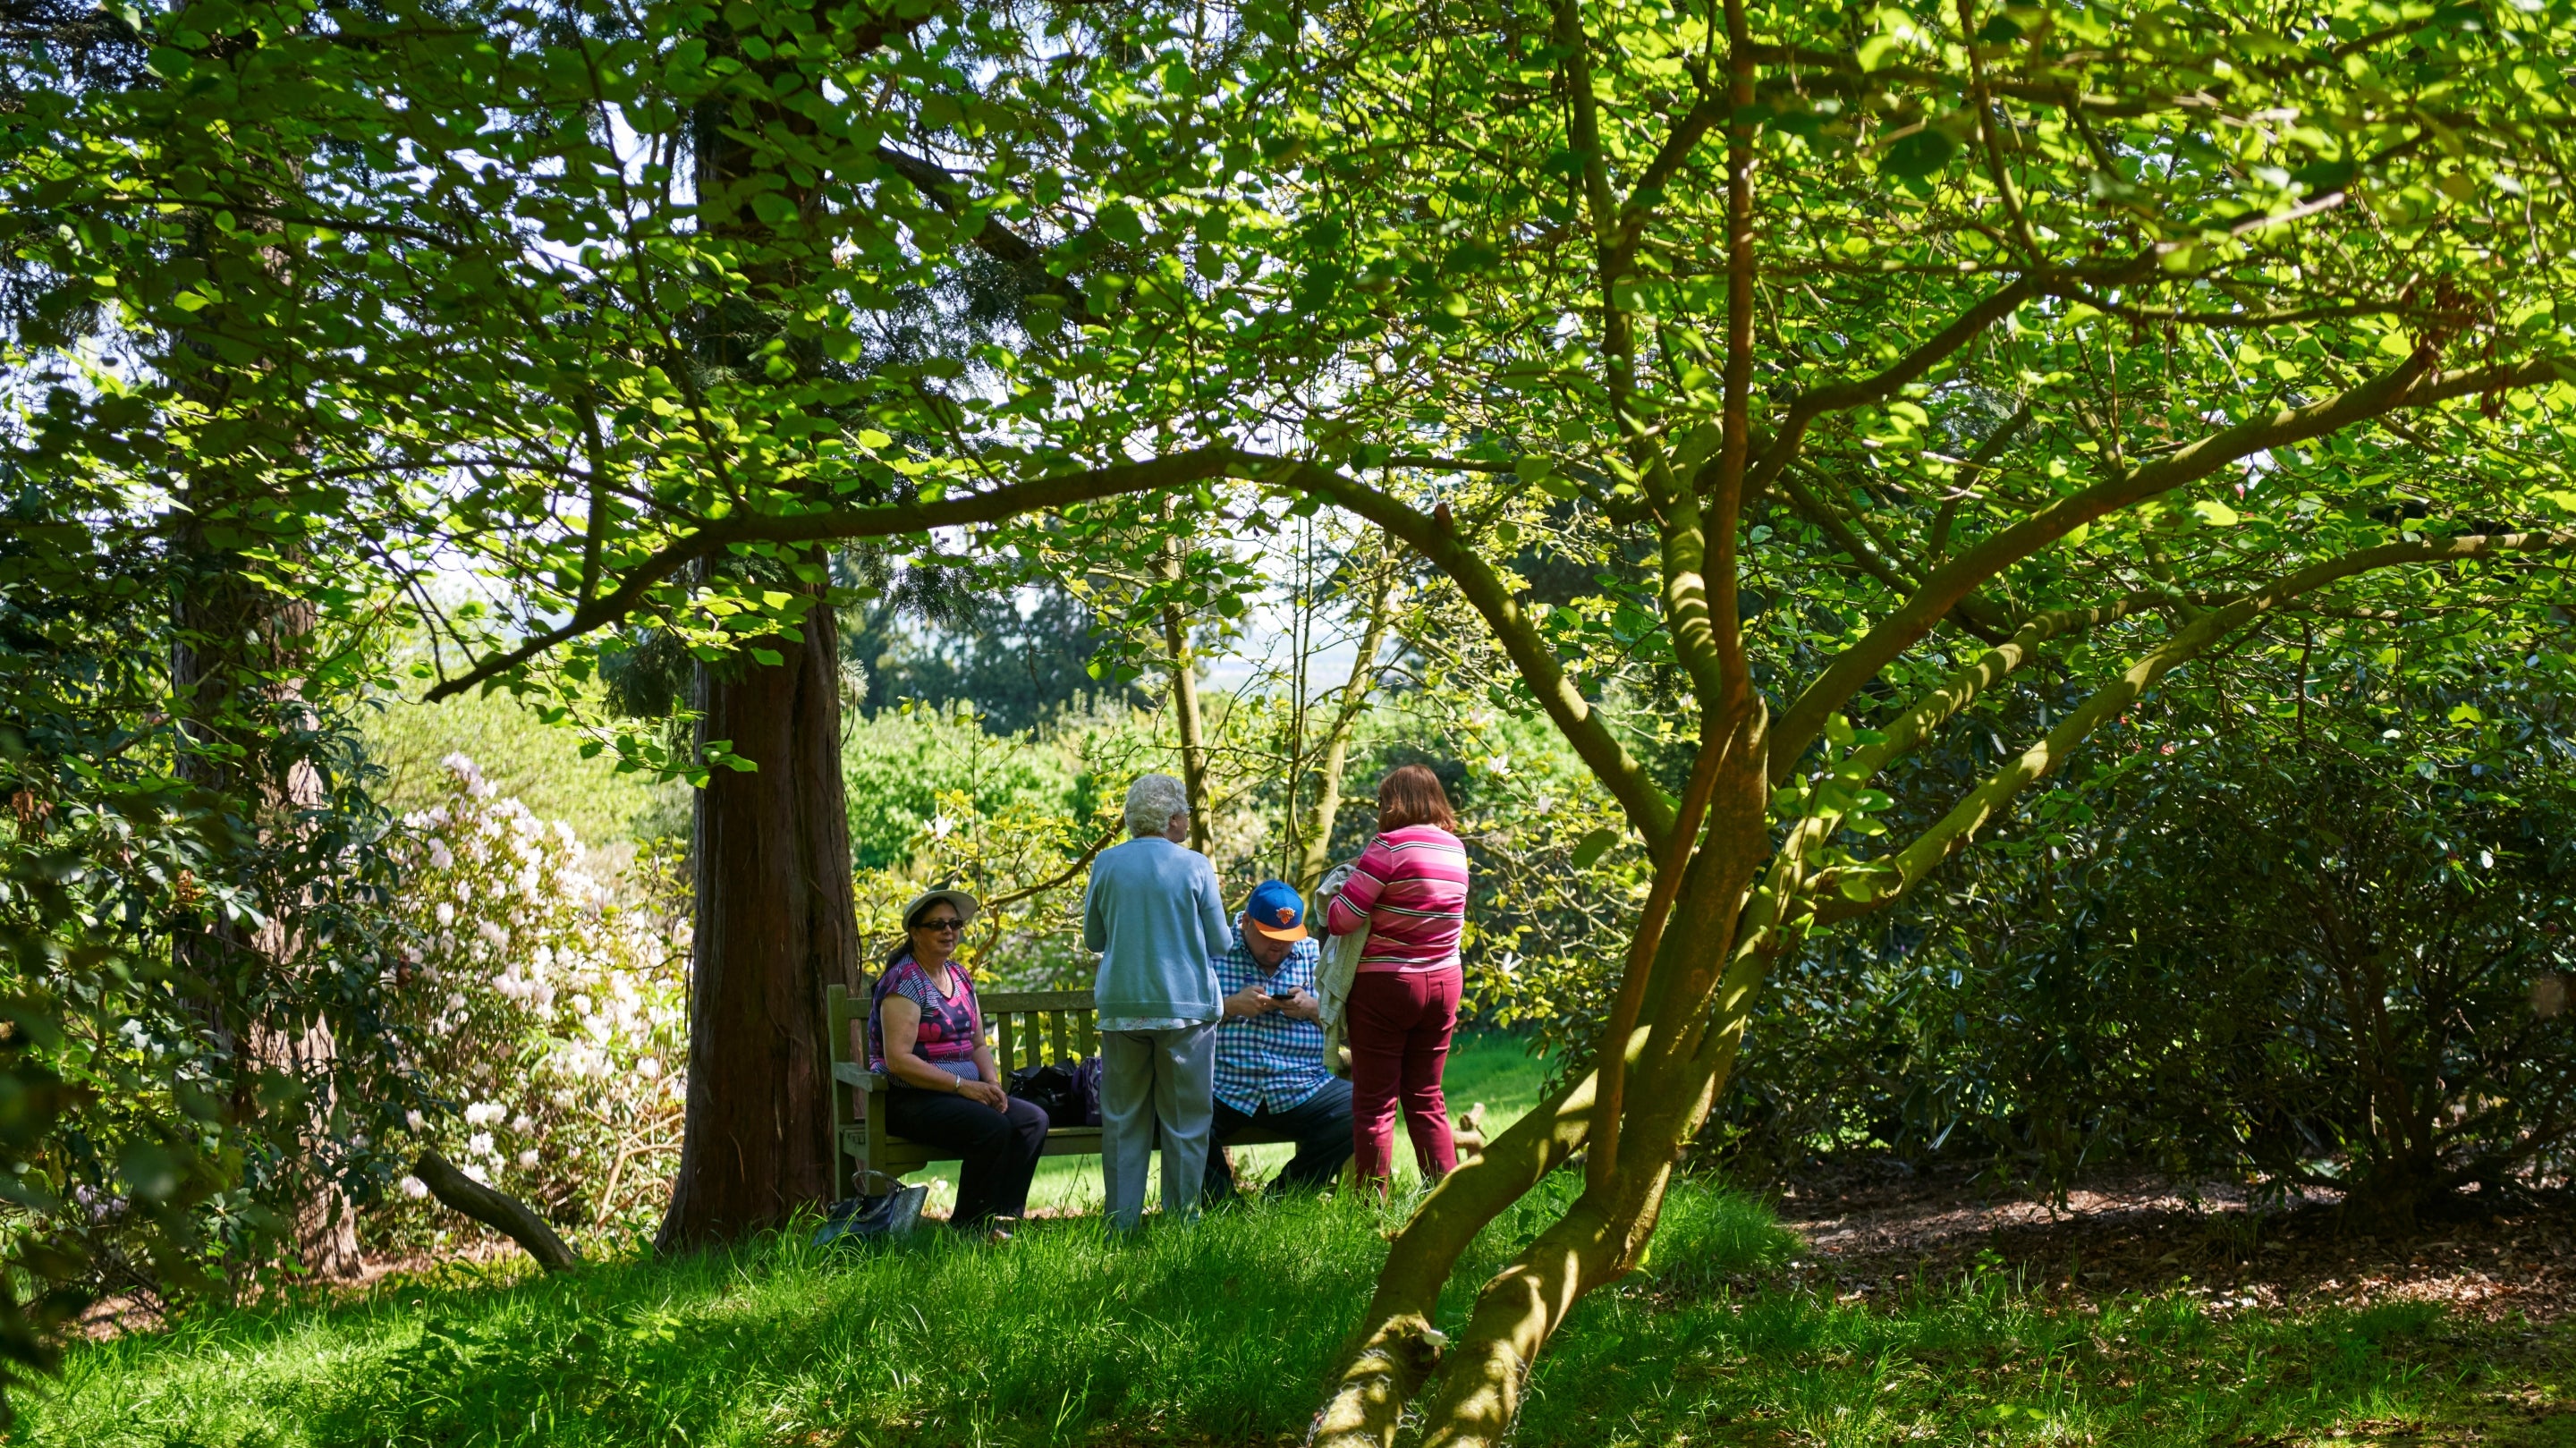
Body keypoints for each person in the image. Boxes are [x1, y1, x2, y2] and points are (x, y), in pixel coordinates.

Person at [1082, 773, 1231, 1231]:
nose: (1187, 821)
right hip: (1185, 1008)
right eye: (1184, 812)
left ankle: (1121, 1225)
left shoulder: (1106, 864)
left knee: (1123, 1121)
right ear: (1170, 818)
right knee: (1186, 1122)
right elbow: (1221, 943)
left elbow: (1093, 938)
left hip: (1122, 1008)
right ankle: (1183, 1222)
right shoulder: (1195, 866)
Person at [868, 887, 1049, 1236]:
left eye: (954, 923)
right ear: (915, 932)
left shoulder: (961, 977)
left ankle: (1002, 1218)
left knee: (1031, 1120)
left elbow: (978, 1043)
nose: (948, 931)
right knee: (990, 1127)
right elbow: (898, 1061)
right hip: (909, 1098)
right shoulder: (903, 982)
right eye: (937, 925)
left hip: (961, 1094)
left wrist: (993, 1086)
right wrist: (964, 1087)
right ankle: (969, 1226)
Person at [1324, 764, 1471, 1192]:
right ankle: (1446, 1198)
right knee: (1427, 1097)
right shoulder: (1455, 849)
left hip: (1385, 987)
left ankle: (1372, 1208)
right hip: (1444, 983)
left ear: (1395, 802)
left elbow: (1341, 920)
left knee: (1375, 1104)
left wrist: (1343, 886)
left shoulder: (1387, 847)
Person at [1202, 879, 1355, 1203]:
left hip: (1300, 1086)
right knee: (1177, 1111)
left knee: (1362, 1109)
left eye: (1286, 940)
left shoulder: (1316, 954)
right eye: (1270, 937)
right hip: (1224, 1086)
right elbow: (1180, 1020)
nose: (1278, 947)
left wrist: (1313, 1009)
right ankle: (1223, 1208)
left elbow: (1353, 1029)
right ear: (1245, 922)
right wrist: (1228, 1007)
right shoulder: (1212, 949)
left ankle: (1283, 1198)